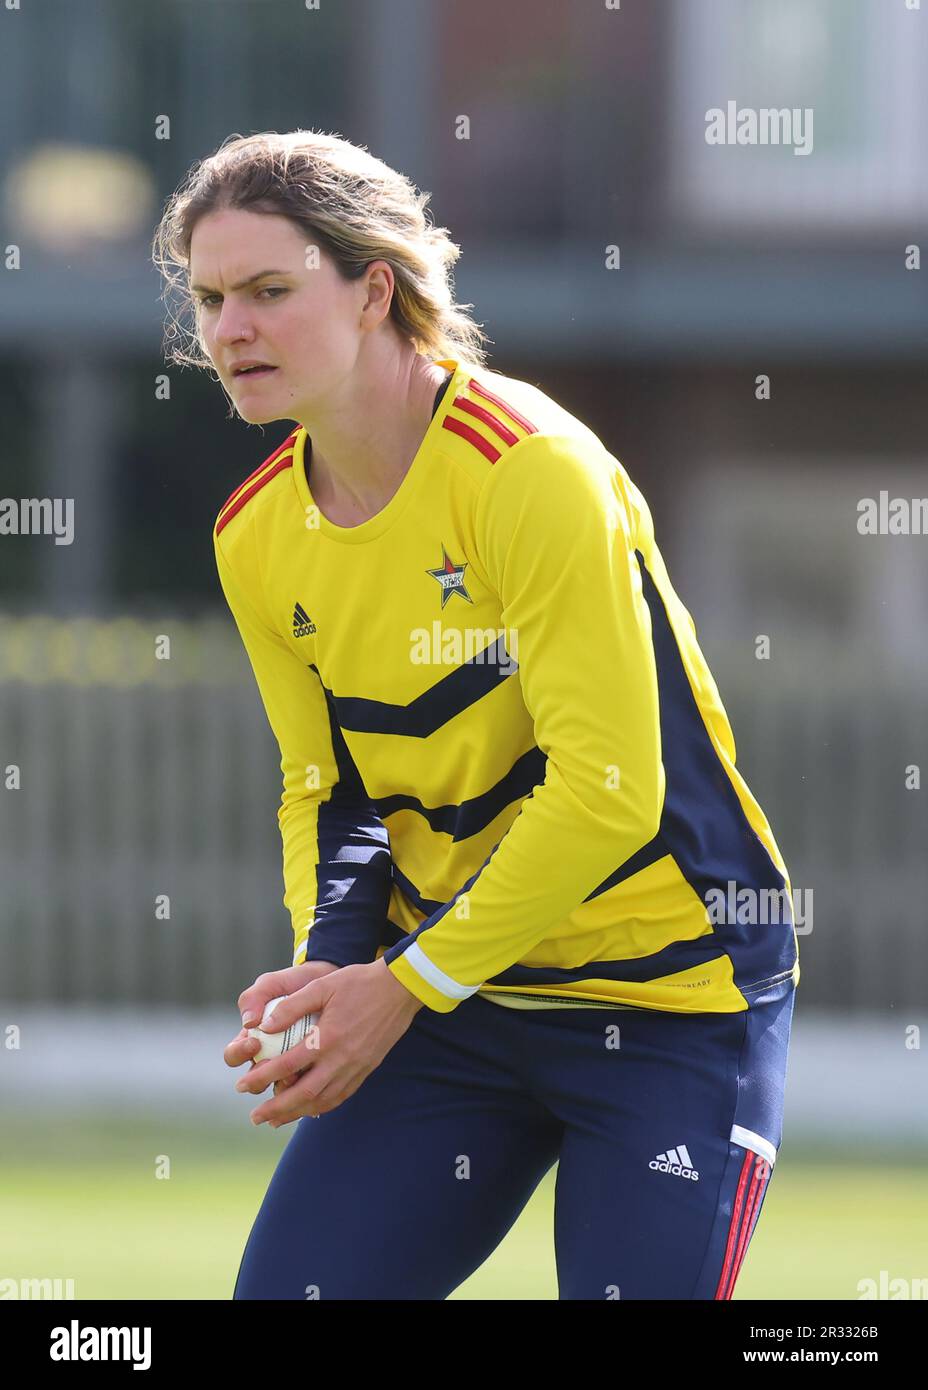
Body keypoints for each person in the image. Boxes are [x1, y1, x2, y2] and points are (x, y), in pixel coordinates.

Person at [152, 129, 799, 1300]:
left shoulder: (530, 470)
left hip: (665, 1001)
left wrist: (399, 988)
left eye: (267, 291)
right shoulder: (253, 534)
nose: (229, 329)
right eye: (208, 299)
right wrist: (332, 975)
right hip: (452, 1002)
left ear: (373, 292)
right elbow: (328, 789)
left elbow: (608, 790)